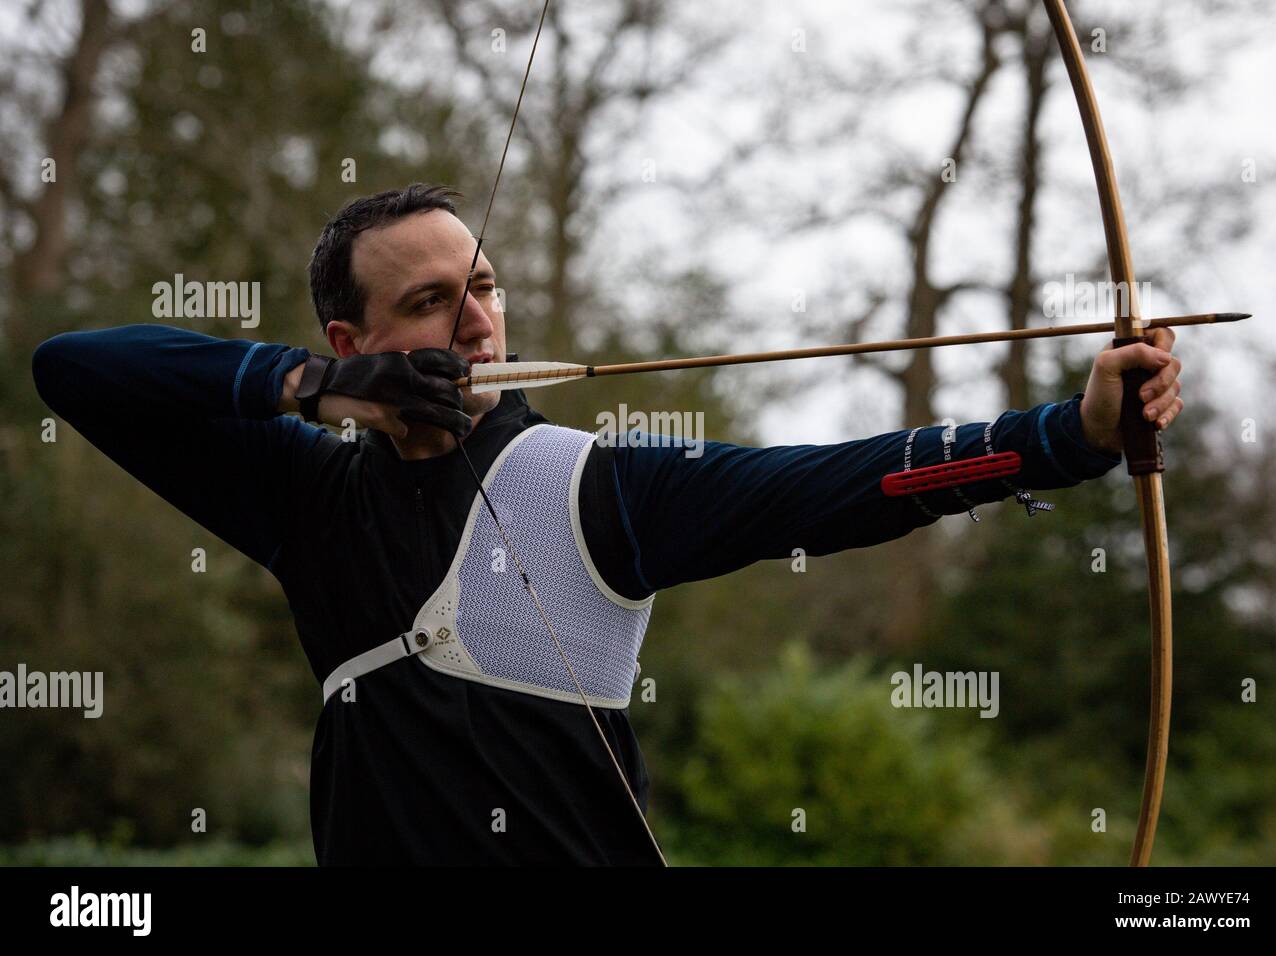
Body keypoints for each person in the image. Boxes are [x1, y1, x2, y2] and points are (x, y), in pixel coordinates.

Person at [30, 182, 1184, 865]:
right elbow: (73, 367)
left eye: (482, 285)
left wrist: (1063, 435)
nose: (475, 321)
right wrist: (297, 389)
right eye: (429, 301)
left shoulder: (593, 487)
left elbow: (835, 482)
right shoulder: (306, 499)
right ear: (352, 340)